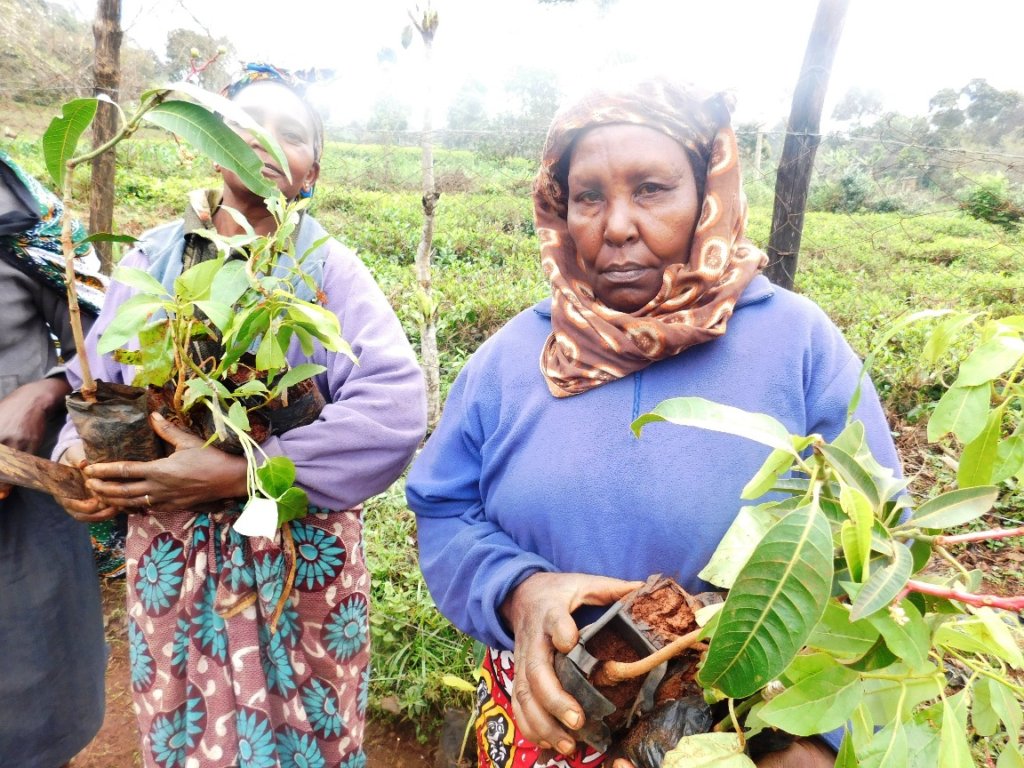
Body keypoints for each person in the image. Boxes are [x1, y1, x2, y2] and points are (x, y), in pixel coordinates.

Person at [405, 78, 901, 768]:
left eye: (651, 189)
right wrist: (519, 592)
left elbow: (874, 543)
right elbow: (444, 508)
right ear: (559, 208)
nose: (614, 226)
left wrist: (811, 737)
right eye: (588, 196)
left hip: (742, 737)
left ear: (708, 196)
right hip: (545, 729)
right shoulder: (515, 358)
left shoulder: (799, 347)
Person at [54, 64, 427, 768]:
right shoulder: (153, 258)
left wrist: (237, 474)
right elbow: (94, 379)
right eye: (244, 125)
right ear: (210, 140)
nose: (264, 142)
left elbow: (394, 409)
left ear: (312, 167)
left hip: (295, 561)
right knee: (185, 727)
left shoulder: (328, 269)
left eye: (289, 133)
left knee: (309, 735)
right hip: (173, 555)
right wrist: (81, 451)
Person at [0, 149, 107, 767]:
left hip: (19, 520)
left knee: (32, 719)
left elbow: (106, 348)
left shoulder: (33, 220)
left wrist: (43, 393)